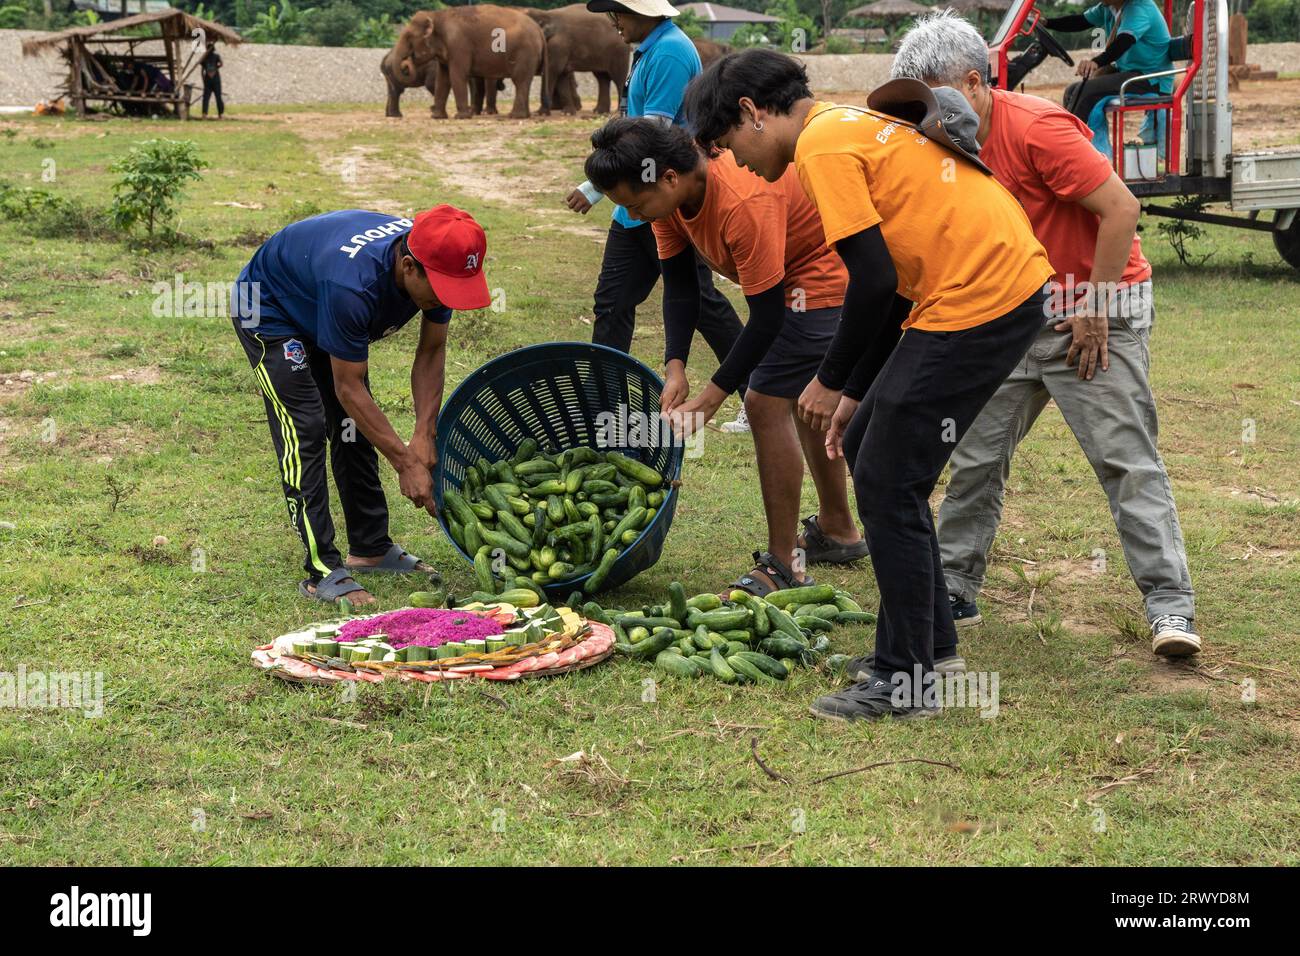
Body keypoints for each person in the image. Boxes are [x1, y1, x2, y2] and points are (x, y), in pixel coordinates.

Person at [684, 49, 1055, 720]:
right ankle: (929, 649)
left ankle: (907, 681)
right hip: (974, 291)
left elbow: (874, 283)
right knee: (874, 457)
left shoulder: (823, 148)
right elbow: (886, 290)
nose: (733, 163)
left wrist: (826, 381)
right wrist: (856, 392)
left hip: (982, 295)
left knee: (887, 479)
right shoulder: (840, 125)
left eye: (726, 145)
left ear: (752, 113)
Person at [892, 11, 1200, 659]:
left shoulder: (1038, 129)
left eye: (938, 104)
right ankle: (952, 587)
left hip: (1093, 304)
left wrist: (1095, 304)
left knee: (1123, 457)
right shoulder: (942, 144)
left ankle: (1170, 607)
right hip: (1011, 313)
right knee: (974, 453)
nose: (929, 122)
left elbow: (1121, 208)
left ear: (975, 83)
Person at [583, 117, 869, 591]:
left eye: (635, 204)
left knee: (763, 401)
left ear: (667, 178)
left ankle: (783, 564)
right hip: (787, 282)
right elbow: (679, 284)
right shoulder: (669, 196)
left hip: (824, 277)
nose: (633, 216)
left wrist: (712, 398)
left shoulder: (741, 200)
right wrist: (676, 364)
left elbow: (767, 319)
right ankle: (838, 529)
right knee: (796, 397)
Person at [231, 206, 491, 605]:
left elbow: (432, 349)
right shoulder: (353, 286)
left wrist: (424, 433)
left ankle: (370, 548)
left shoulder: (437, 260)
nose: (447, 299)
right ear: (408, 267)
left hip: (320, 299)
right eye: (442, 290)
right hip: (270, 307)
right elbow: (349, 389)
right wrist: (405, 463)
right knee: (307, 427)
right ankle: (323, 571)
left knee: (352, 430)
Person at [564, 0, 749, 433]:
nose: (615, 26)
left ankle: (754, 395)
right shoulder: (649, 49)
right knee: (612, 302)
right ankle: (602, 407)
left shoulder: (668, 52)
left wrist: (594, 188)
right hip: (638, 207)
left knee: (703, 305)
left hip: (661, 200)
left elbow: (647, 136)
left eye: (620, 16)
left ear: (646, 13)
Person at [1049, 0, 1174, 127]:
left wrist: (1096, 62)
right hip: (1129, 73)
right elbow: (1080, 21)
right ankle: (1073, 136)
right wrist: (1046, 22)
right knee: (1072, 90)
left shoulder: (1139, 8)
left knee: (1087, 91)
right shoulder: (1109, 7)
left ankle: (1071, 140)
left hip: (1151, 78)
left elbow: (1124, 41)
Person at [201, 42, 224, 119]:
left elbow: (202, 71)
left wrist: (203, 79)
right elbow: (221, 64)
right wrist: (217, 67)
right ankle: (219, 114)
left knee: (209, 97)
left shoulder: (206, 57)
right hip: (213, 79)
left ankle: (206, 114)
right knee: (214, 97)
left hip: (211, 79)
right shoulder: (207, 57)